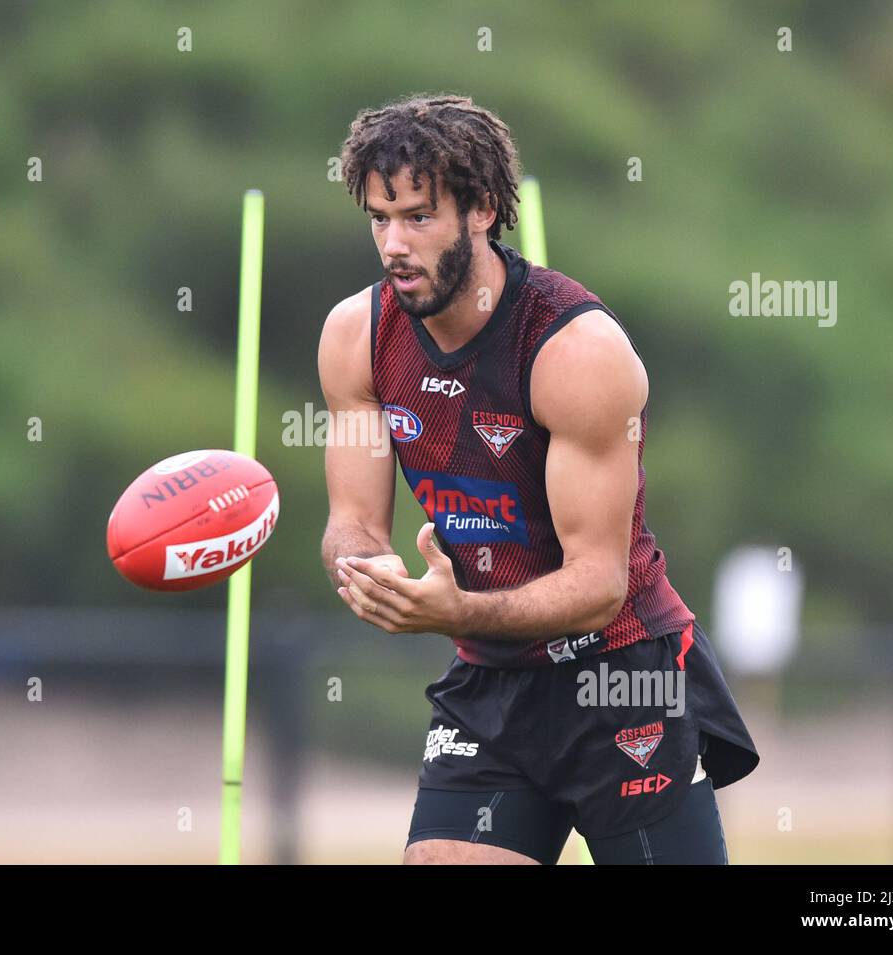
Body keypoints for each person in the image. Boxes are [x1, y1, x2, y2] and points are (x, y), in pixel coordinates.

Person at [318, 93, 759, 865]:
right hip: (490, 686)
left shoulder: (575, 350)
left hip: (621, 676)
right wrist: (369, 570)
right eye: (379, 218)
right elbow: (350, 519)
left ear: (482, 209)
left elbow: (599, 583)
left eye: (418, 217)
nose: (393, 243)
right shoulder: (356, 336)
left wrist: (460, 608)